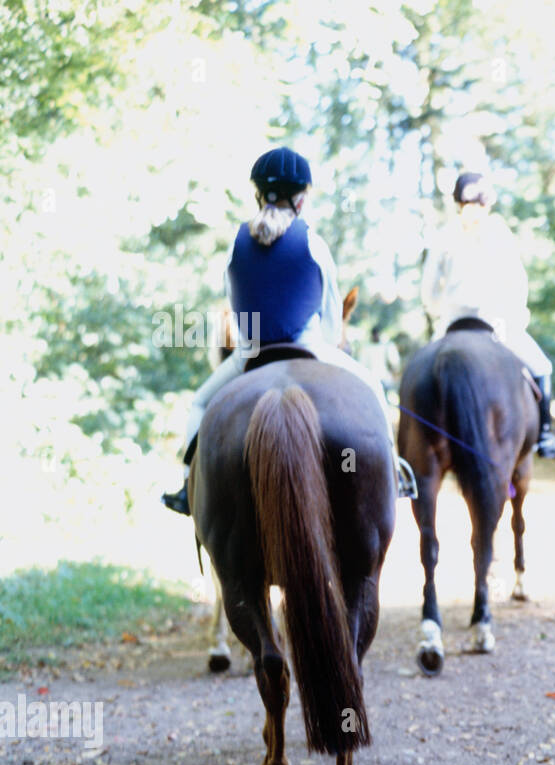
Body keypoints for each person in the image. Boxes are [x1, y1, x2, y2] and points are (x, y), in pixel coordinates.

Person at [162, 147, 418, 515]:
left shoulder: (236, 244)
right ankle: (394, 474)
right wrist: (324, 347)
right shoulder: (314, 242)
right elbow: (331, 317)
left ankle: (188, 489)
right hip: (310, 347)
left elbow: (235, 305)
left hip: (250, 353)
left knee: (200, 404)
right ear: (300, 198)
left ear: (258, 194)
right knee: (374, 390)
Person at [420, 171, 555, 459]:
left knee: (420, 372)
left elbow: (428, 292)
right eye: (470, 206)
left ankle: (415, 450)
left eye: (477, 206)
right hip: (493, 323)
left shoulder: (445, 234)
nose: (474, 212)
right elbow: (517, 284)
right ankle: (544, 437)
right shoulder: (497, 232)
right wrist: (513, 319)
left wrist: (442, 312)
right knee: (542, 367)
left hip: (454, 325)